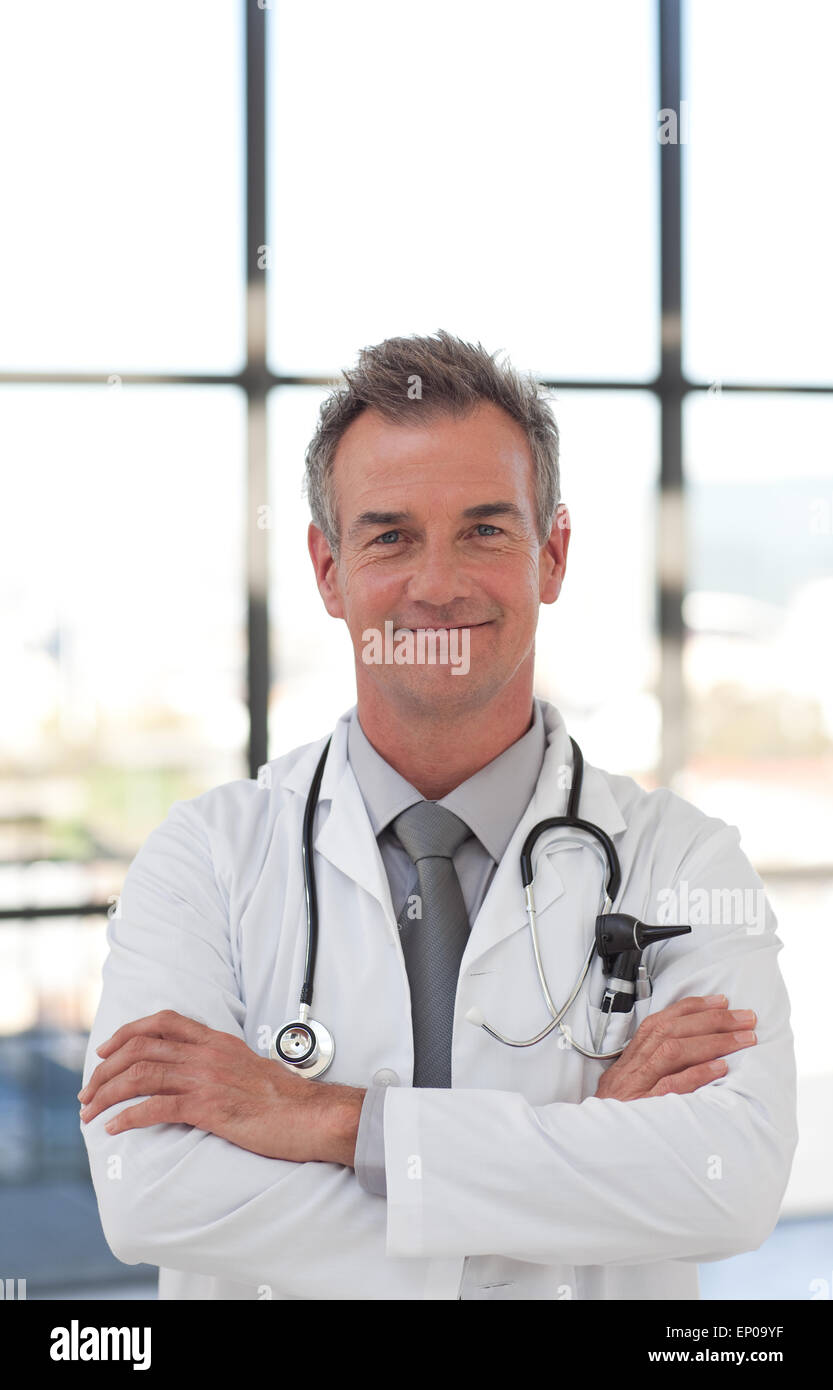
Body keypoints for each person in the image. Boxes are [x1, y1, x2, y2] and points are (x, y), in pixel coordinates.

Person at [78, 329, 798, 1300]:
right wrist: (581, 1167)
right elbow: (149, 1192)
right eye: (389, 535)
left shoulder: (686, 863)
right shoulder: (200, 860)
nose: (437, 584)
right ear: (328, 570)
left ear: (551, 554)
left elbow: (727, 1183)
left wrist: (332, 1121)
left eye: (484, 530)